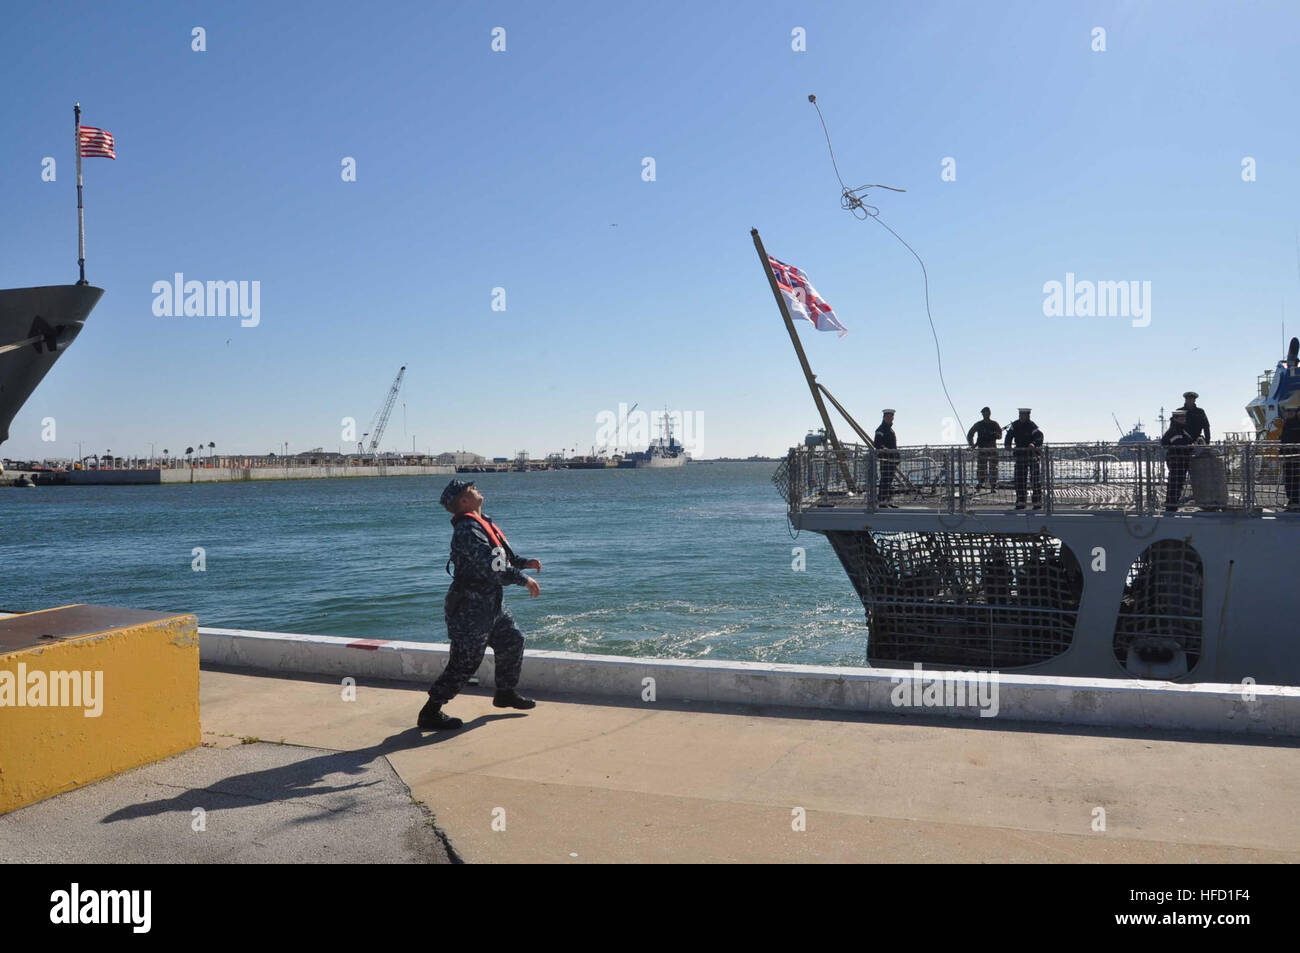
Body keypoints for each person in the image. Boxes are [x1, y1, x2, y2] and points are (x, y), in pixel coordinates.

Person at [417, 479, 542, 730]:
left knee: (512, 640)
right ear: (464, 501)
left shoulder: (484, 523)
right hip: (469, 608)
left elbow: (503, 556)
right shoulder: (467, 530)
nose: (477, 489)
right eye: (471, 489)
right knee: (465, 662)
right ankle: (431, 711)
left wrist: (524, 562)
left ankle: (505, 693)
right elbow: (494, 568)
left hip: (491, 605)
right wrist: (523, 579)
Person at [1004, 408, 1044, 509]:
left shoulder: (1032, 425)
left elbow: (1039, 436)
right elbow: (1009, 435)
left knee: (1035, 479)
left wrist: (1033, 444)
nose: (1021, 416)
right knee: (1020, 479)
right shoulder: (1015, 425)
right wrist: (1007, 444)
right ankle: (1021, 501)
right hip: (1020, 455)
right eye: (1020, 414)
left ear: (1028, 415)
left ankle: (1037, 502)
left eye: (1023, 415)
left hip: (1032, 455)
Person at [1161, 408, 1195, 513]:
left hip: (1182, 460)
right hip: (1177, 460)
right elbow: (1167, 442)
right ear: (1176, 418)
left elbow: (1186, 441)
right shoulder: (1174, 430)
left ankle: (1172, 505)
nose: (1184, 419)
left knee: (1177, 484)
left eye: (1184, 417)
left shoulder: (1181, 430)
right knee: (1174, 484)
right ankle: (1171, 506)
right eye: (1181, 417)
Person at [967, 406, 1003, 490]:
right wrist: (972, 444)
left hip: (992, 449)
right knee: (981, 467)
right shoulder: (979, 424)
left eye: (986, 413)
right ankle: (980, 483)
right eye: (983, 413)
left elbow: (1000, 436)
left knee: (993, 468)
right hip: (982, 449)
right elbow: (970, 434)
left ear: (989, 413)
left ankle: (993, 485)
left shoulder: (994, 424)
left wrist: (994, 435)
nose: (985, 415)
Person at [875, 409, 899, 508]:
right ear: (884, 417)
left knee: (889, 480)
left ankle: (888, 500)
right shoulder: (880, 430)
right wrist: (886, 450)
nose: (891, 419)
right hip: (885, 459)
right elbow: (877, 444)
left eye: (892, 417)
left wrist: (896, 456)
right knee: (885, 480)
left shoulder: (890, 430)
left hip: (892, 460)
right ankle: (881, 501)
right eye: (889, 417)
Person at [1280, 404, 1300, 511]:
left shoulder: (1297, 424)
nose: (1289, 413)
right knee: (1289, 480)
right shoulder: (1286, 424)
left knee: (1296, 480)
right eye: (1287, 411)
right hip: (1287, 458)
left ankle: (1296, 502)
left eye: (1292, 411)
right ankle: (1292, 501)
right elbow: (1283, 441)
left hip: (1297, 458)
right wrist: (1281, 454)